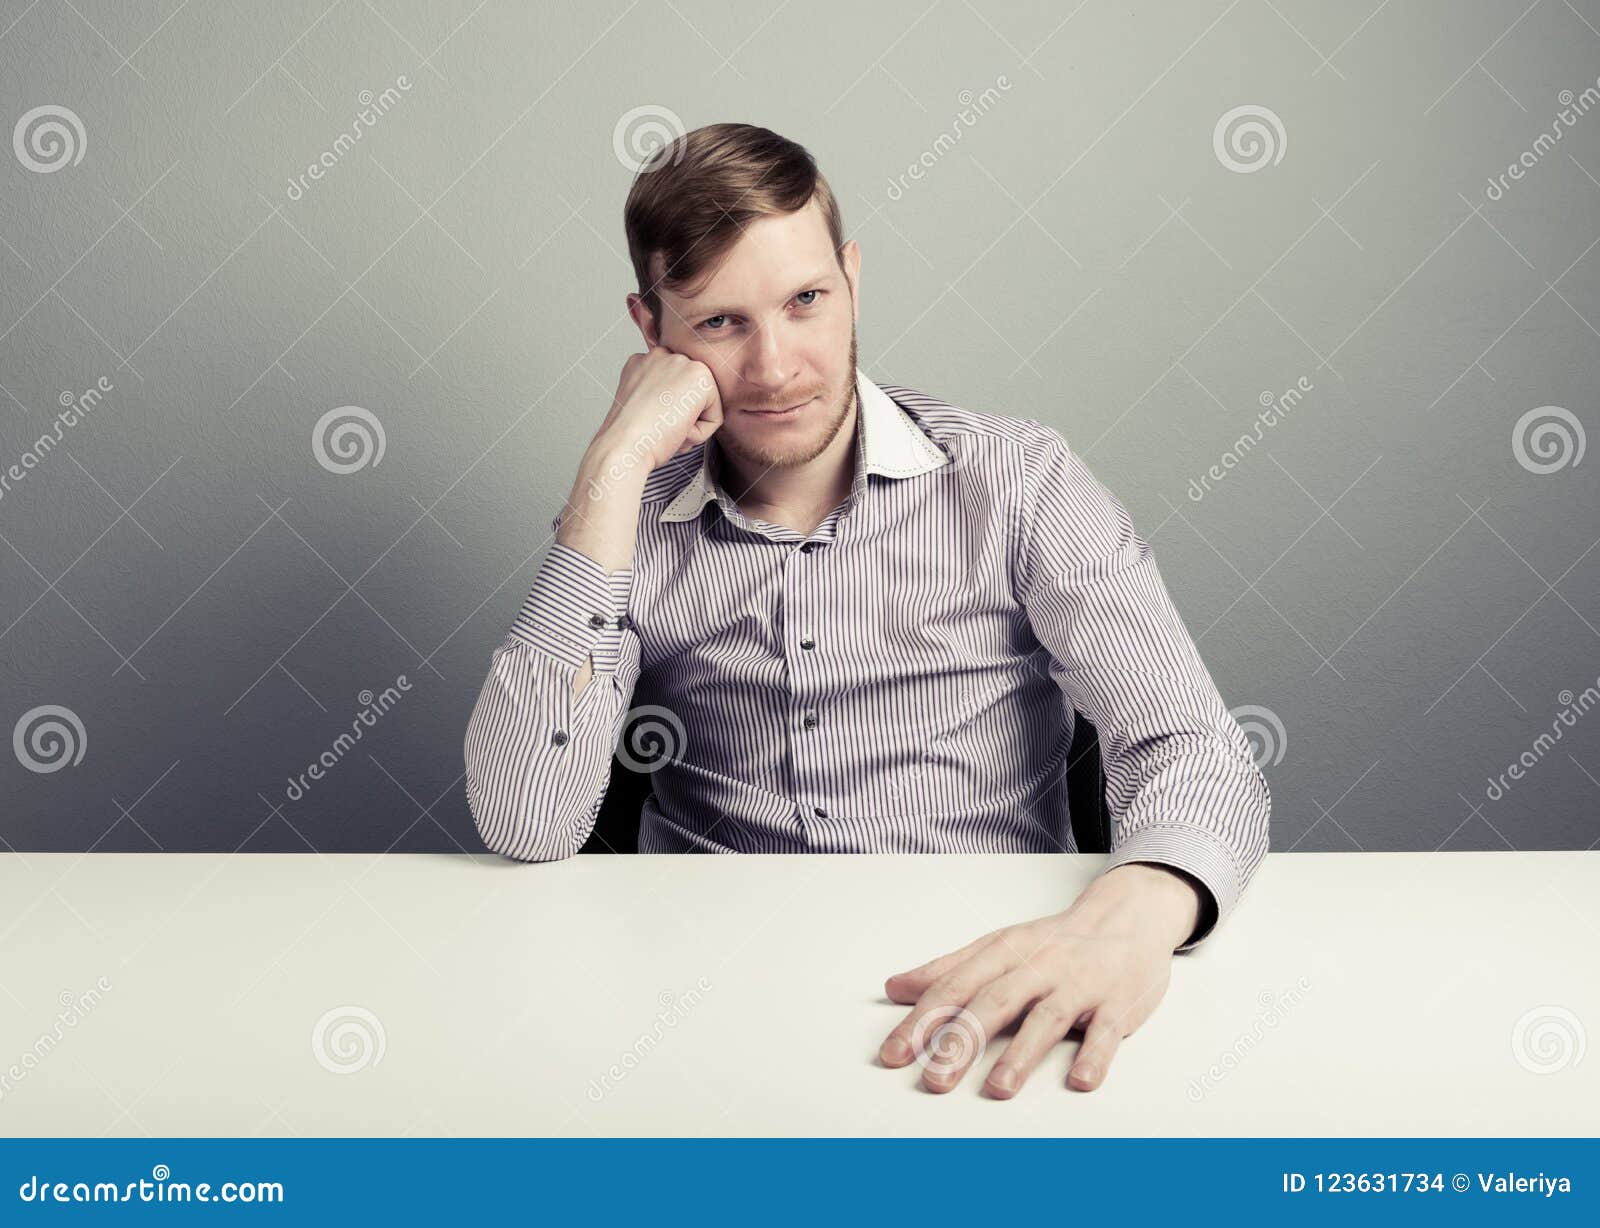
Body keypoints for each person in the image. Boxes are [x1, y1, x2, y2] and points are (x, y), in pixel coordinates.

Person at [463, 122, 1271, 1098]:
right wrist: (612, 464)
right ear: (652, 330)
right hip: (693, 1007)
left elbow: (1193, 746)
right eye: (721, 322)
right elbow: (523, 819)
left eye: (806, 300)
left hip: (985, 979)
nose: (775, 366)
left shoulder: (1017, 481)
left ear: (850, 277)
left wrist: (1132, 916)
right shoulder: (622, 518)